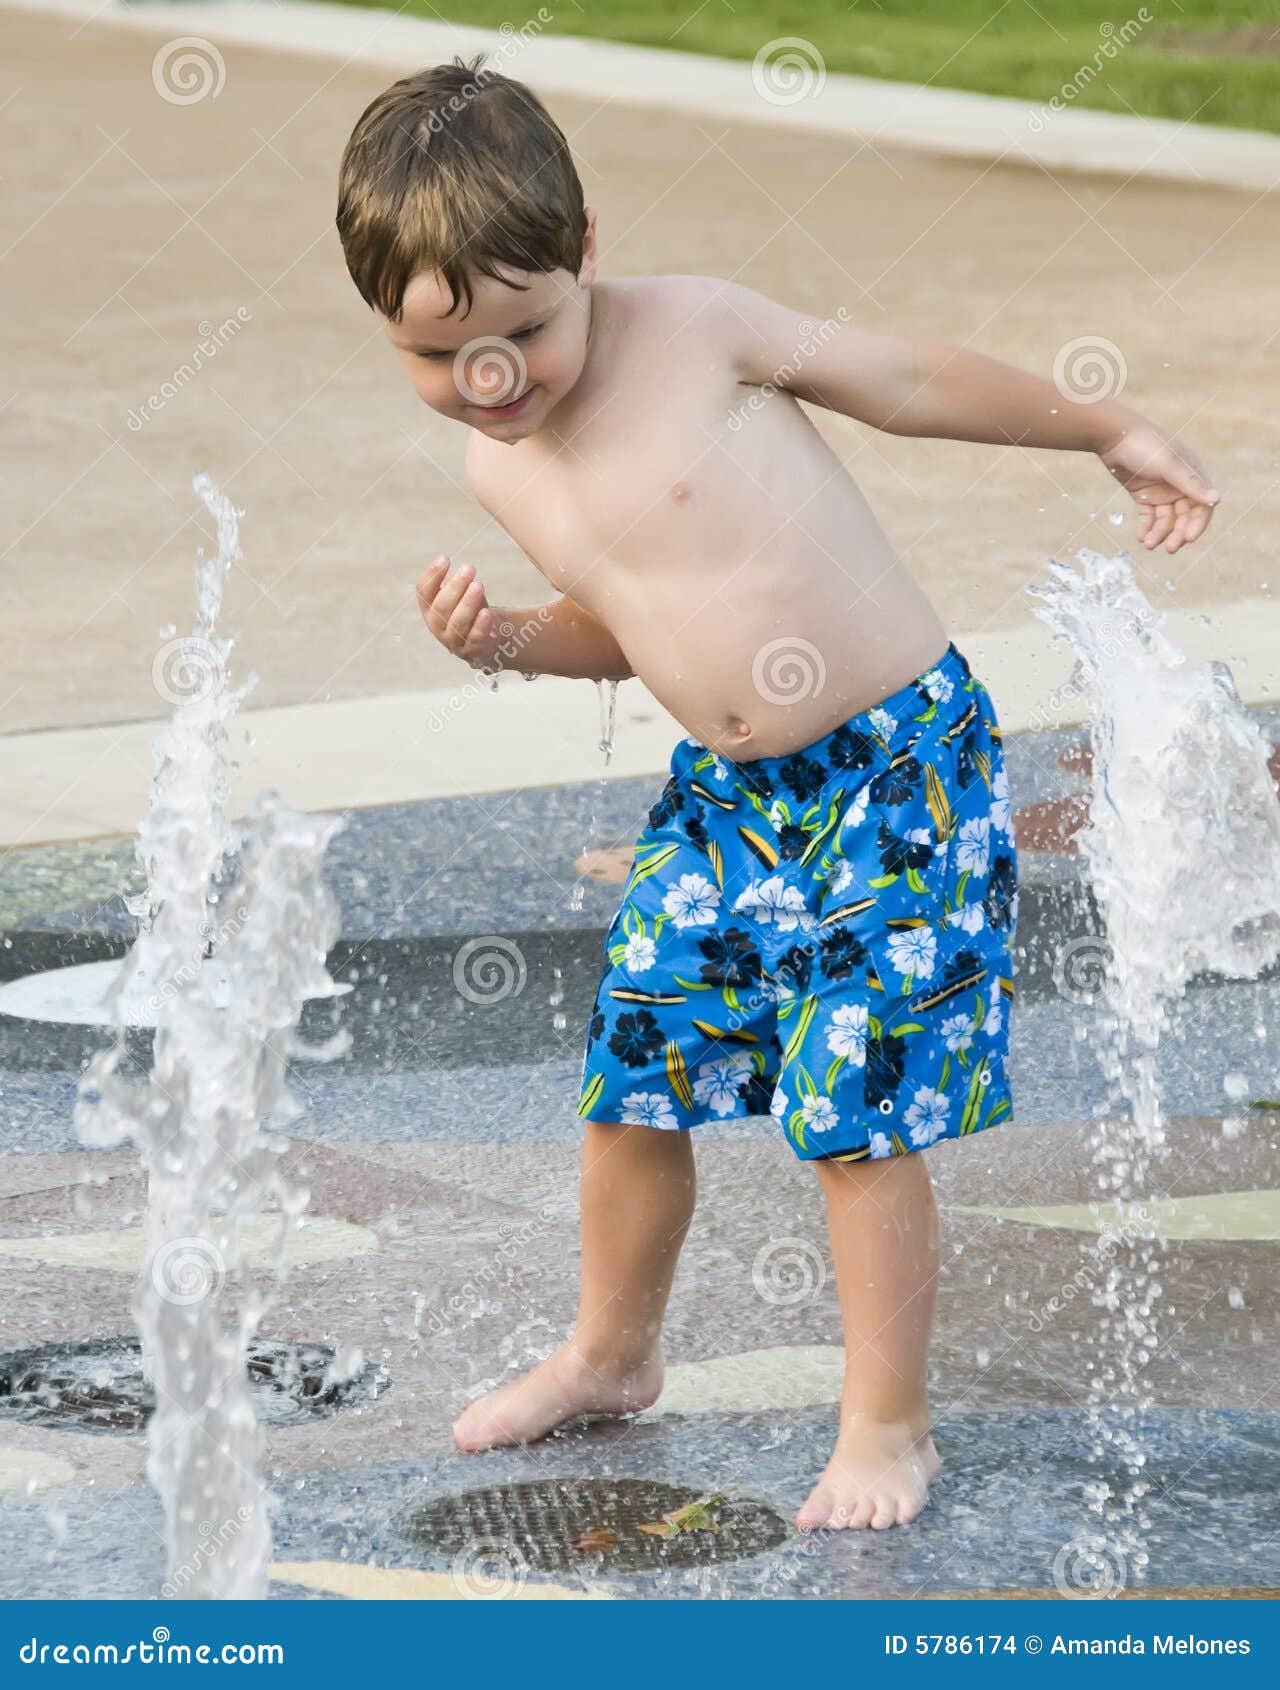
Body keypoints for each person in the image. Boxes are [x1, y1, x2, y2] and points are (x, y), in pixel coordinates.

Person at [336, 54, 1219, 1532]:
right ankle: (611, 1349)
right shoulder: (503, 468)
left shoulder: (698, 330)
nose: (491, 381)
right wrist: (505, 642)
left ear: (589, 249)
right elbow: (632, 624)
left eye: (524, 331)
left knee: (852, 1105)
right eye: (442, 357)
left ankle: (889, 1422)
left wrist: (1106, 428)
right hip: (724, 799)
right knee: (634, 1069)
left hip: (892, 767)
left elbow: (912, 380)